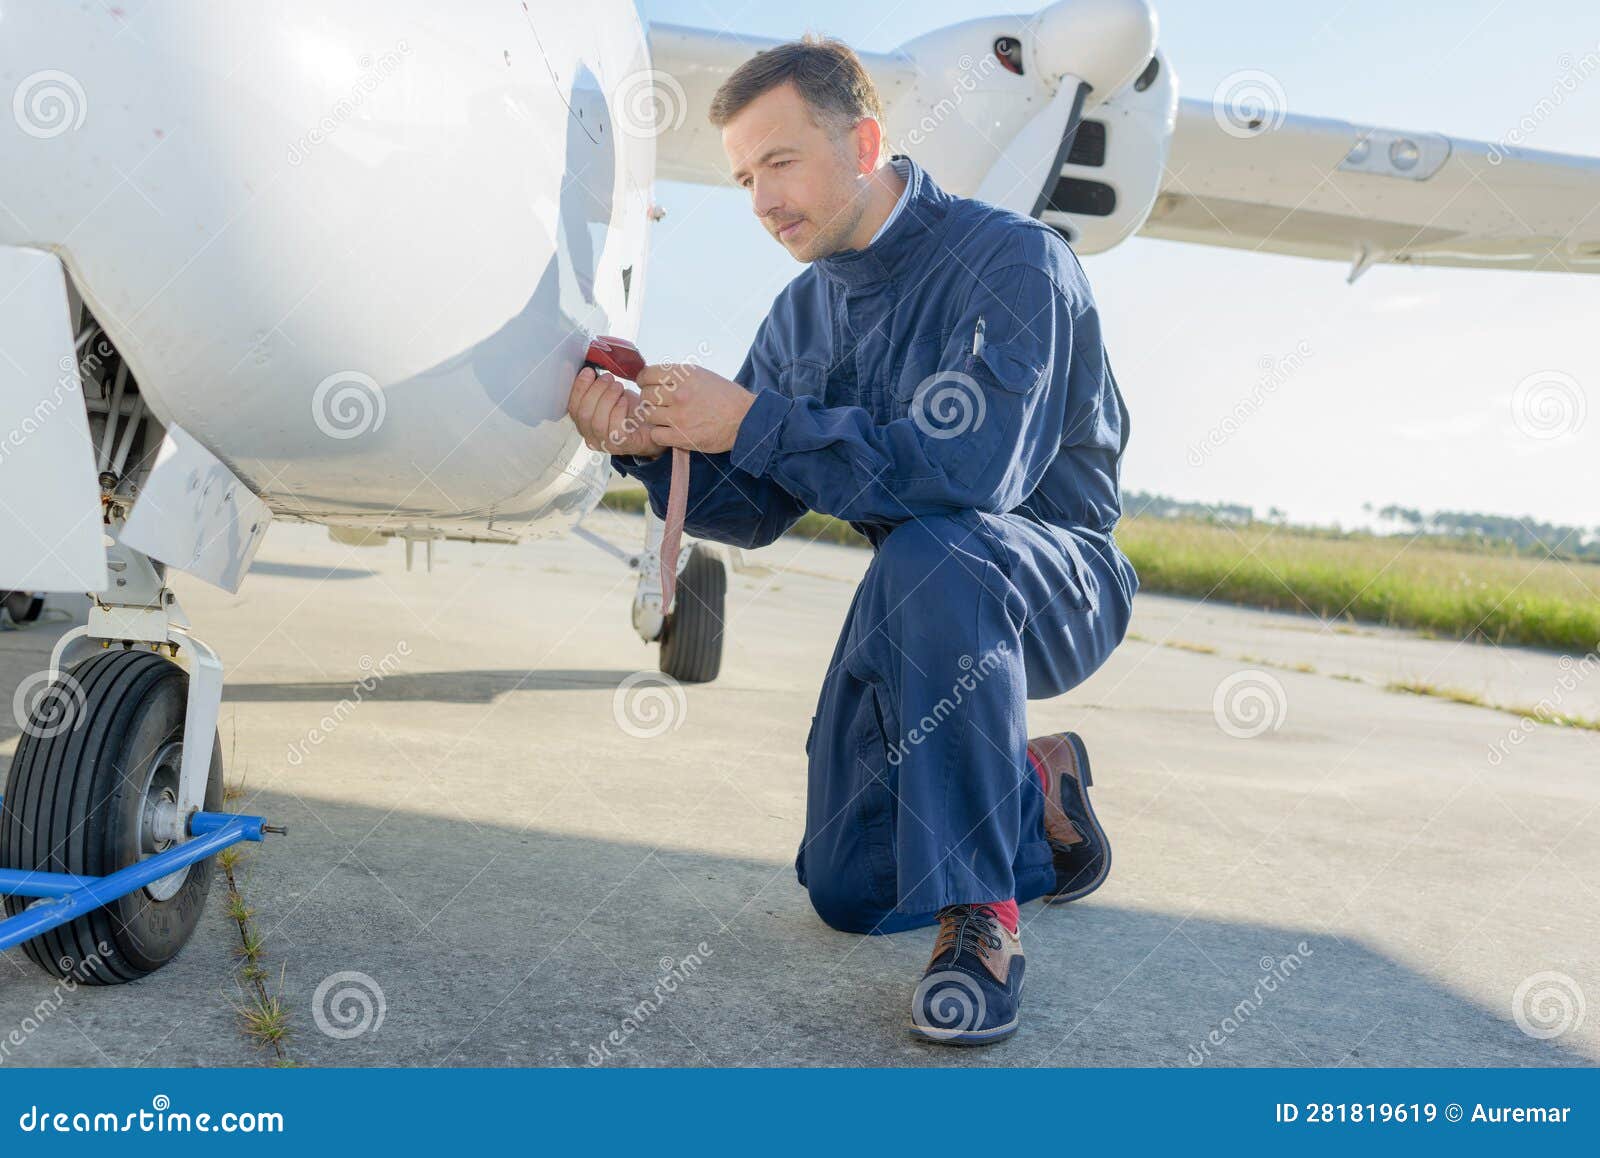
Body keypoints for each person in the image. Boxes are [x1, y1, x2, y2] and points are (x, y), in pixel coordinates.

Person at [566, 35, 1136, 1046]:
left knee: (936, 547)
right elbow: (757, 505)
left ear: (864, 141)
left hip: (1049, 576)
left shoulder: (1014, 264)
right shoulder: (803, 312)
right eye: (744, 178)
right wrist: (649, 448)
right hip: (921, 597)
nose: (760, 201)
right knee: (848, 888)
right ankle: (1038, 808)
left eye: (779, 164)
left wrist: (745, 418)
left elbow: (974, 480)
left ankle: (983, 923)